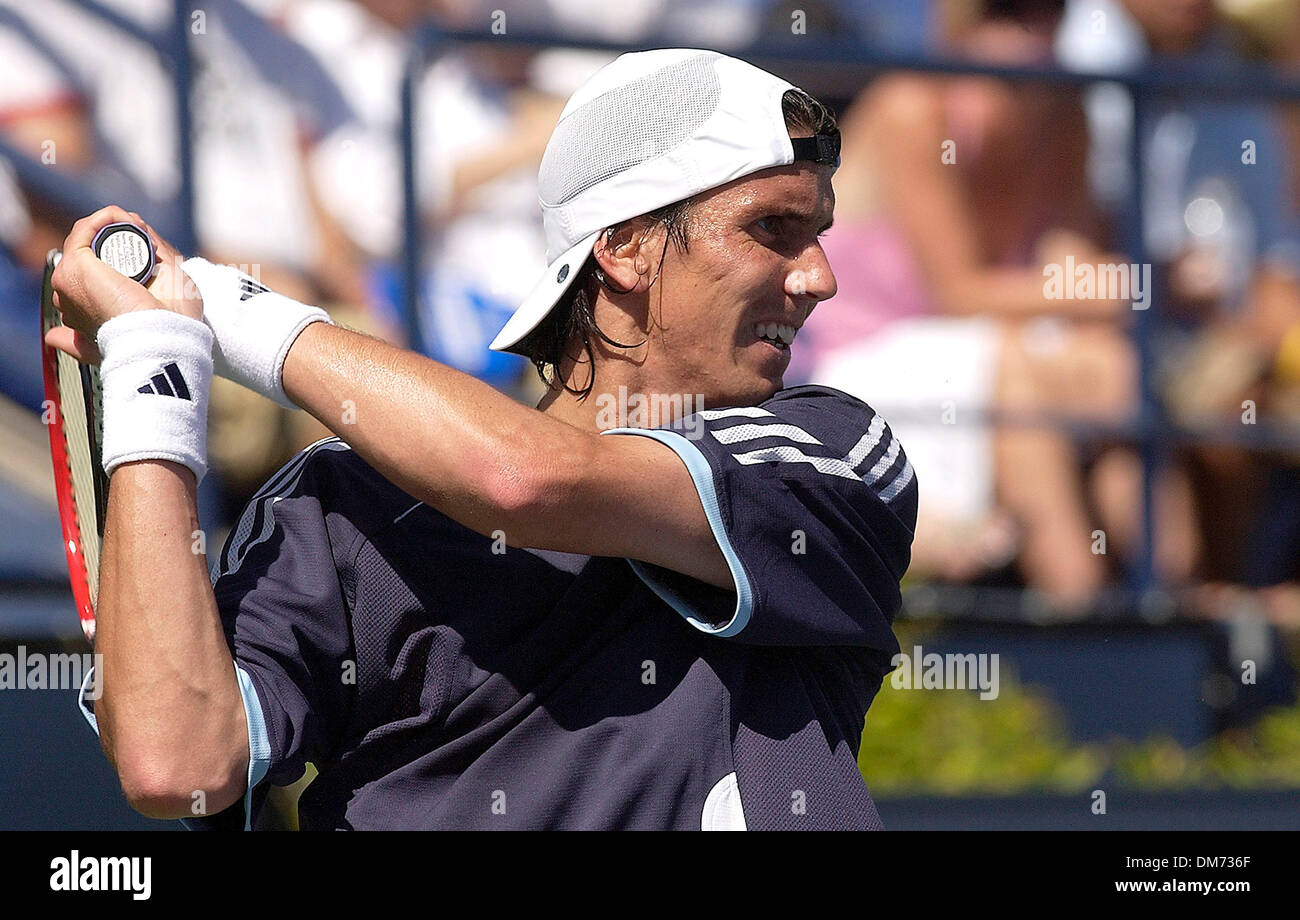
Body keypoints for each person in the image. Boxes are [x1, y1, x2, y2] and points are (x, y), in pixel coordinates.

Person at [55, 49, 917, 830]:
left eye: (820, 234)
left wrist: (222, 308)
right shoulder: (340, 505)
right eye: (773, 228)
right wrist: (152, 367)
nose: (821, 278)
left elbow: (522, 478)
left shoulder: (835, 454)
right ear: (624, 247)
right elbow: (176, 766)